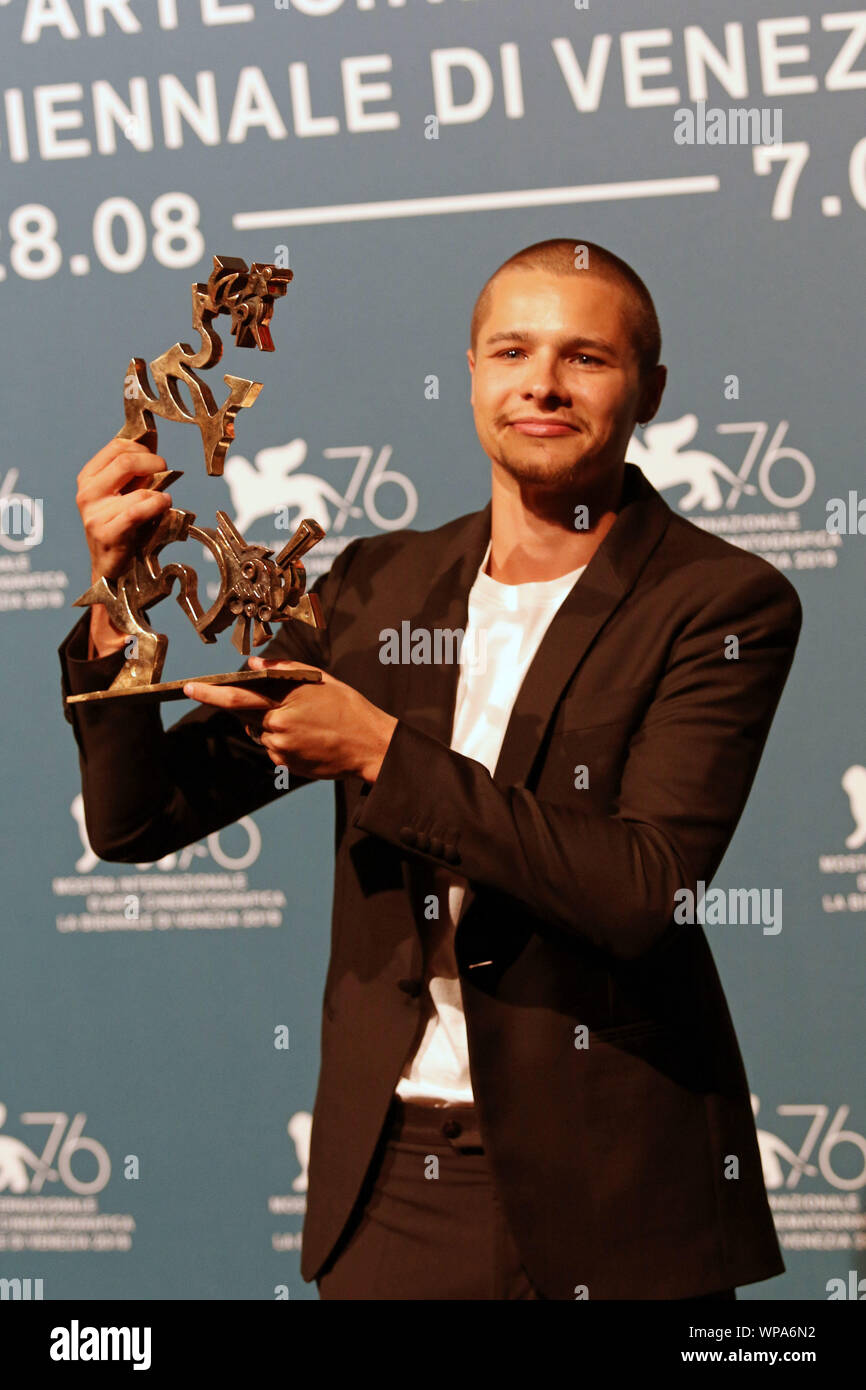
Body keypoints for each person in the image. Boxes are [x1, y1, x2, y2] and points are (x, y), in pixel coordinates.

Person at [60, 238, 801, 1300]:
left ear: (650, 390)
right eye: (511, 350)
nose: (539, 381)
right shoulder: (373, 586)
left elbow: (643, 890)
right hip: (392, 1191)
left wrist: (377, 751)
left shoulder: (720, 602)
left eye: (583, 357)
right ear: (470, 374)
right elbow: (136, 822)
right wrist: (116, 596)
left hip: (616, 1195)